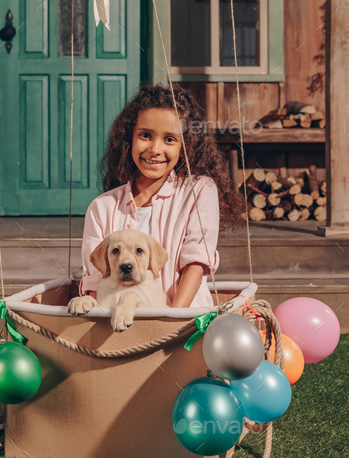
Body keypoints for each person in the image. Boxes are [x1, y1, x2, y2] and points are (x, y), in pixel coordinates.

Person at [79, 83, 245, 309]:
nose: (155, 149)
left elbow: (195, 263)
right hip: (114, 326)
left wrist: (171, 321)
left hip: (181, 321)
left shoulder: (199, 191)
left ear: (185, 145)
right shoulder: (102, 207)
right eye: (145, 135)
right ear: (129, 138)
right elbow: (94, 278)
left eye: (169, 139)